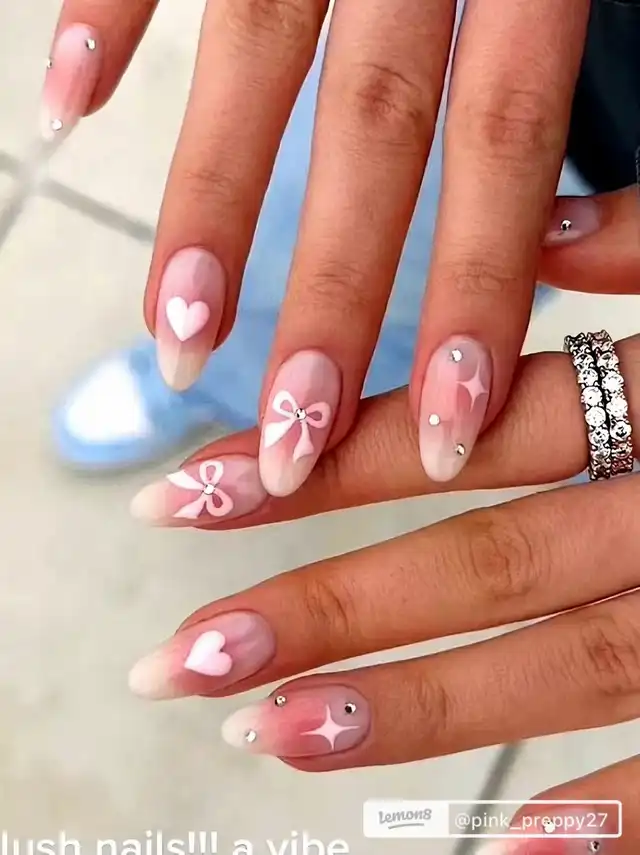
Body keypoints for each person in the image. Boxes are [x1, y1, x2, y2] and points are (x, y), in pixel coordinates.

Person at [43, 0, 640, 849]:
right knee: (313, 250)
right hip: (520, 47)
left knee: (452, 342)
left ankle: (315, 400)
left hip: (608, 163)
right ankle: (209, 375)